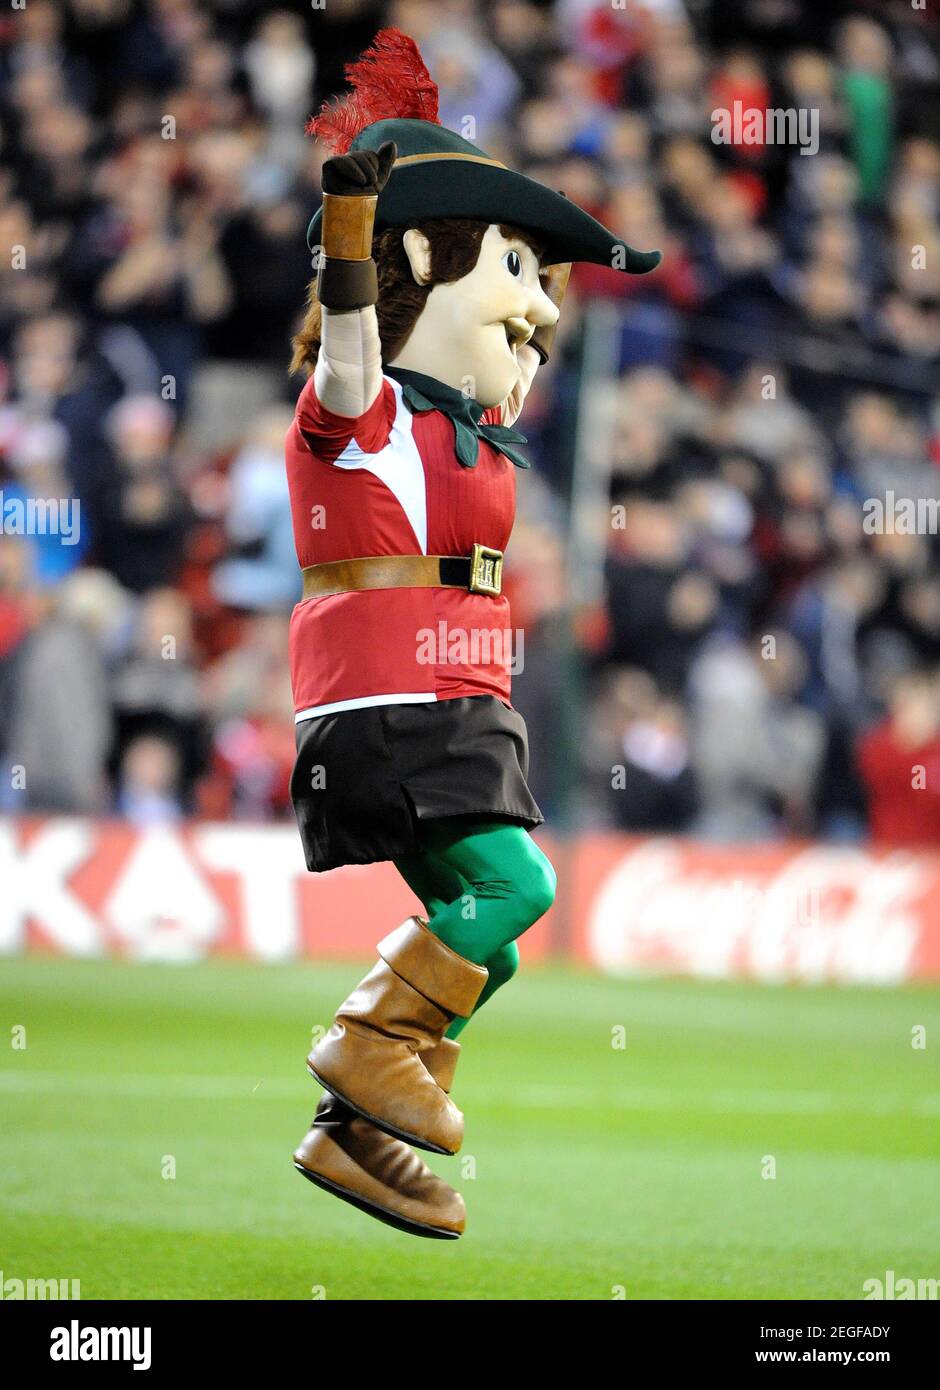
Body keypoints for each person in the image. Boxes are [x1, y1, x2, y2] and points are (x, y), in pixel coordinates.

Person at [284, 29, 660, 1239]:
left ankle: (348, 1137)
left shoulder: (467, 428)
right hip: (391, 693)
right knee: (518, 888)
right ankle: (367, 1041)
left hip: (454, 696)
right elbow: (349, 330)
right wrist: (351, 227)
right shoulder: (366, 406)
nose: (539, 306)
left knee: (484, 944)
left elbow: (506, 374)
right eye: (513, 268)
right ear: (417, 262)